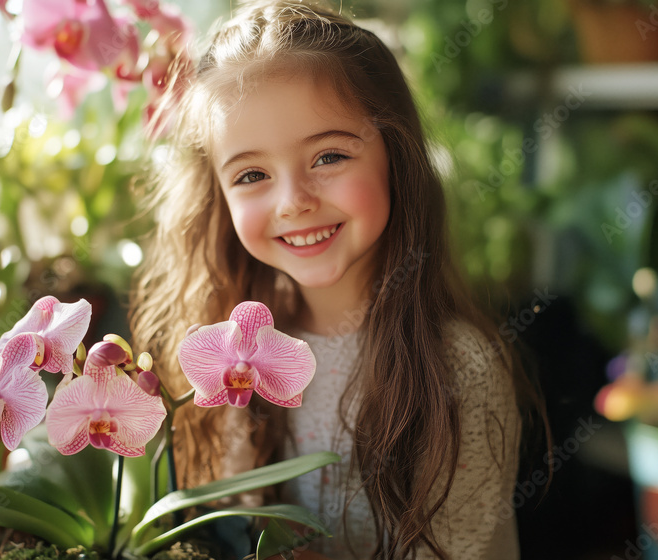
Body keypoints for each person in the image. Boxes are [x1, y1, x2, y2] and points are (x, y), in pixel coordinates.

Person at [129, 1, 547, 558]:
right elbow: (235, 520)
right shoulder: (231, 354)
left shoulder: (457, 369)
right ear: (218, 196)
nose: (294, 201)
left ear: (396, 157)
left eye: (328, 156)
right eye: (252, 174)